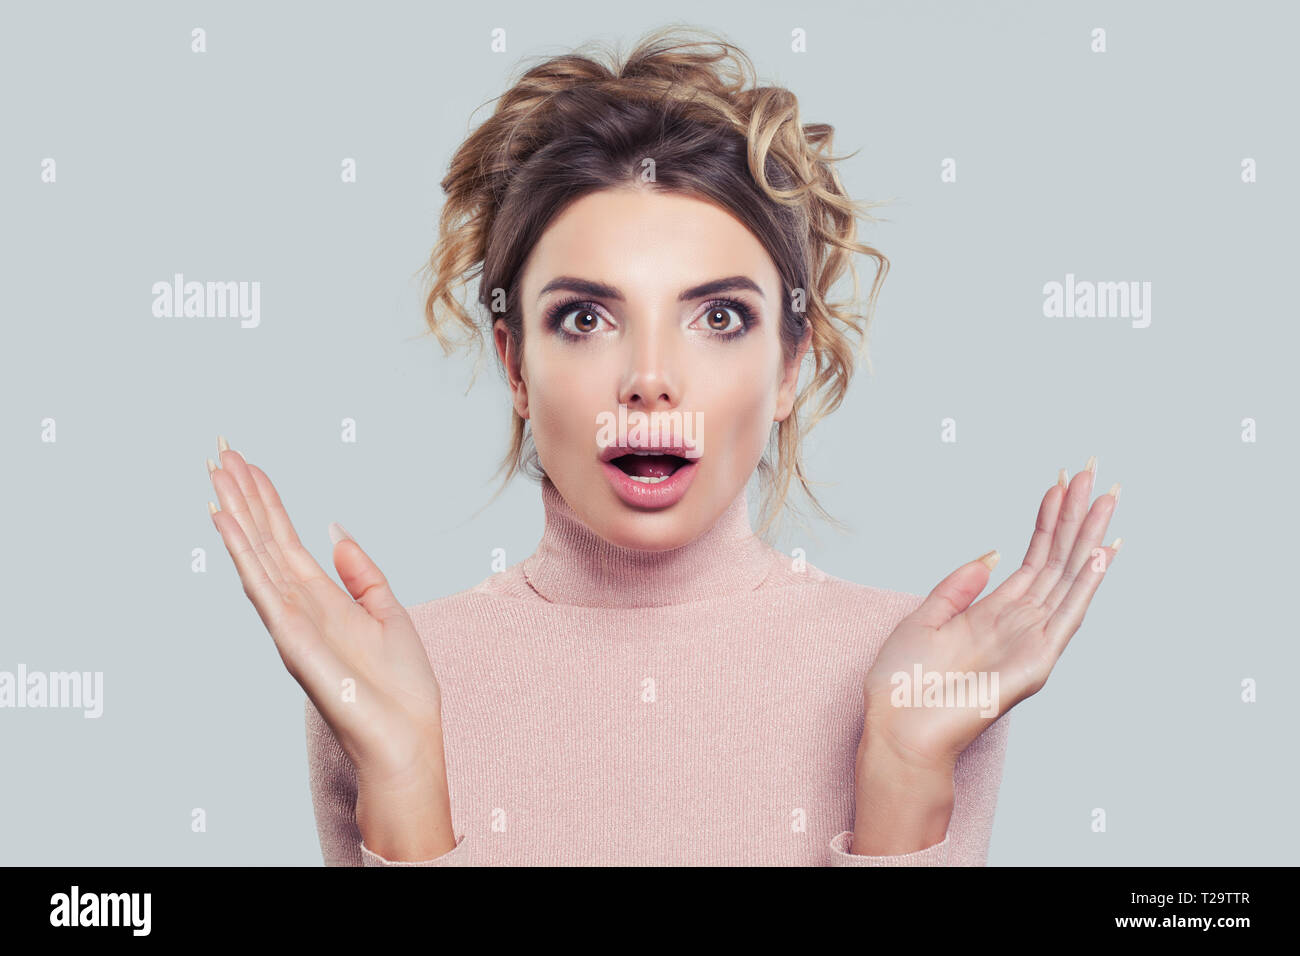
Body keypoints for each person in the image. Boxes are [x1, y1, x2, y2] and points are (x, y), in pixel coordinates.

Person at [205, 26, 1121, 866]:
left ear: (791, 363)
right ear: (515, 363)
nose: (650, 377)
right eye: (586, 316)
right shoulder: (386, 674)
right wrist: (406, 777)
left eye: (719, 316)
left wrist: (902, 769)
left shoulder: (921, 669)